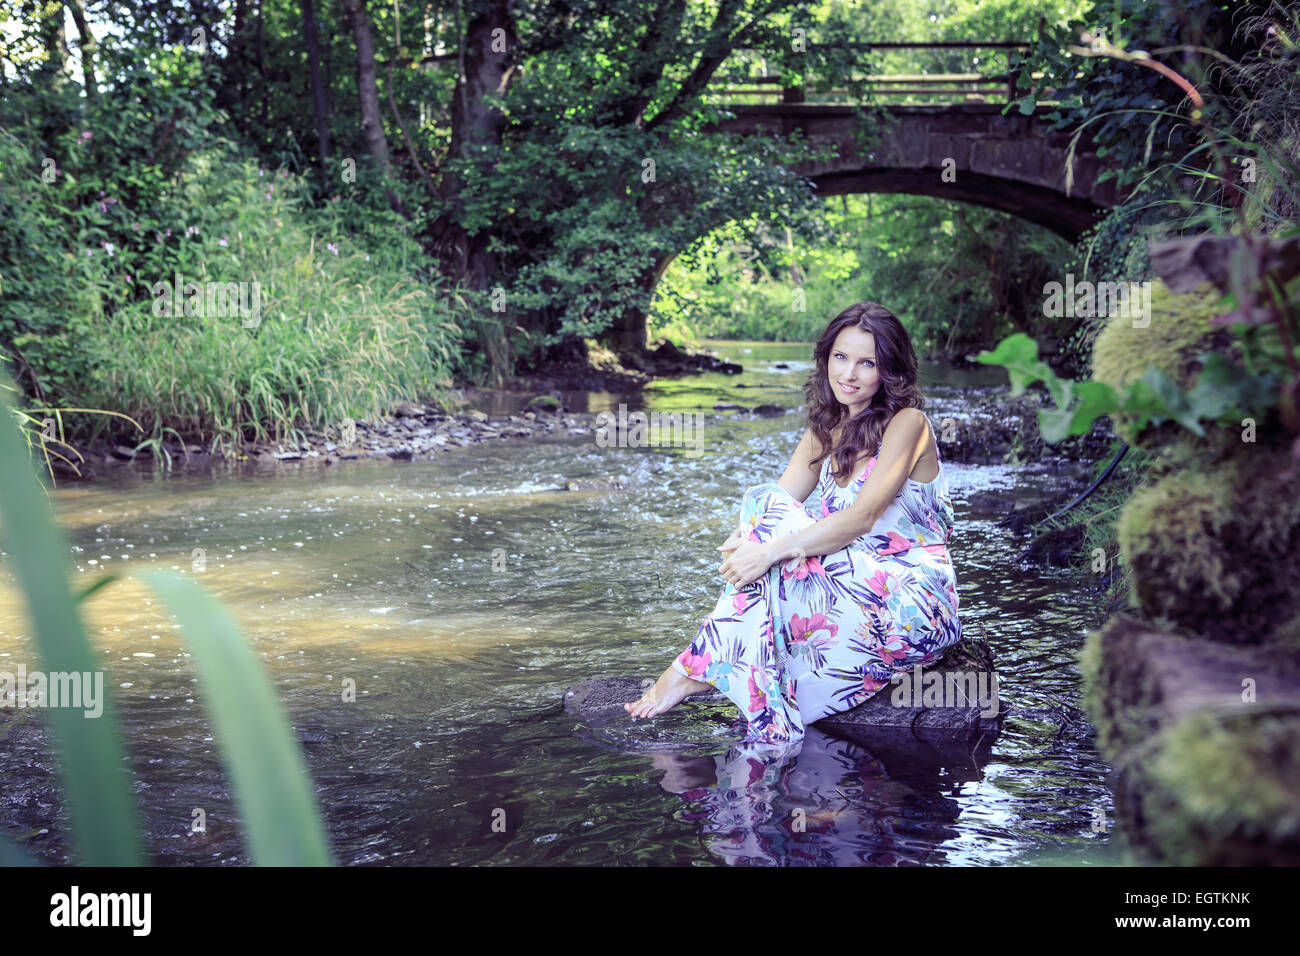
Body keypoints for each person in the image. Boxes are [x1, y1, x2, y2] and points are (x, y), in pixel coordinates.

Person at [624, 302, 964, 744]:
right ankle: (703, 667)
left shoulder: (909, 423)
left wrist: (764, 549)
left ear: (890, 371)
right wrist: (747, 535)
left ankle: (694, 669)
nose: (849, 374)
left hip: (912, 594)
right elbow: (778, 503)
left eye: (867, 363)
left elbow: (861, 518)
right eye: (841, 357)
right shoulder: (825, 427)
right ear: (825, 359)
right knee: (765, 506)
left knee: (770, 537)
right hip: (848, 582)